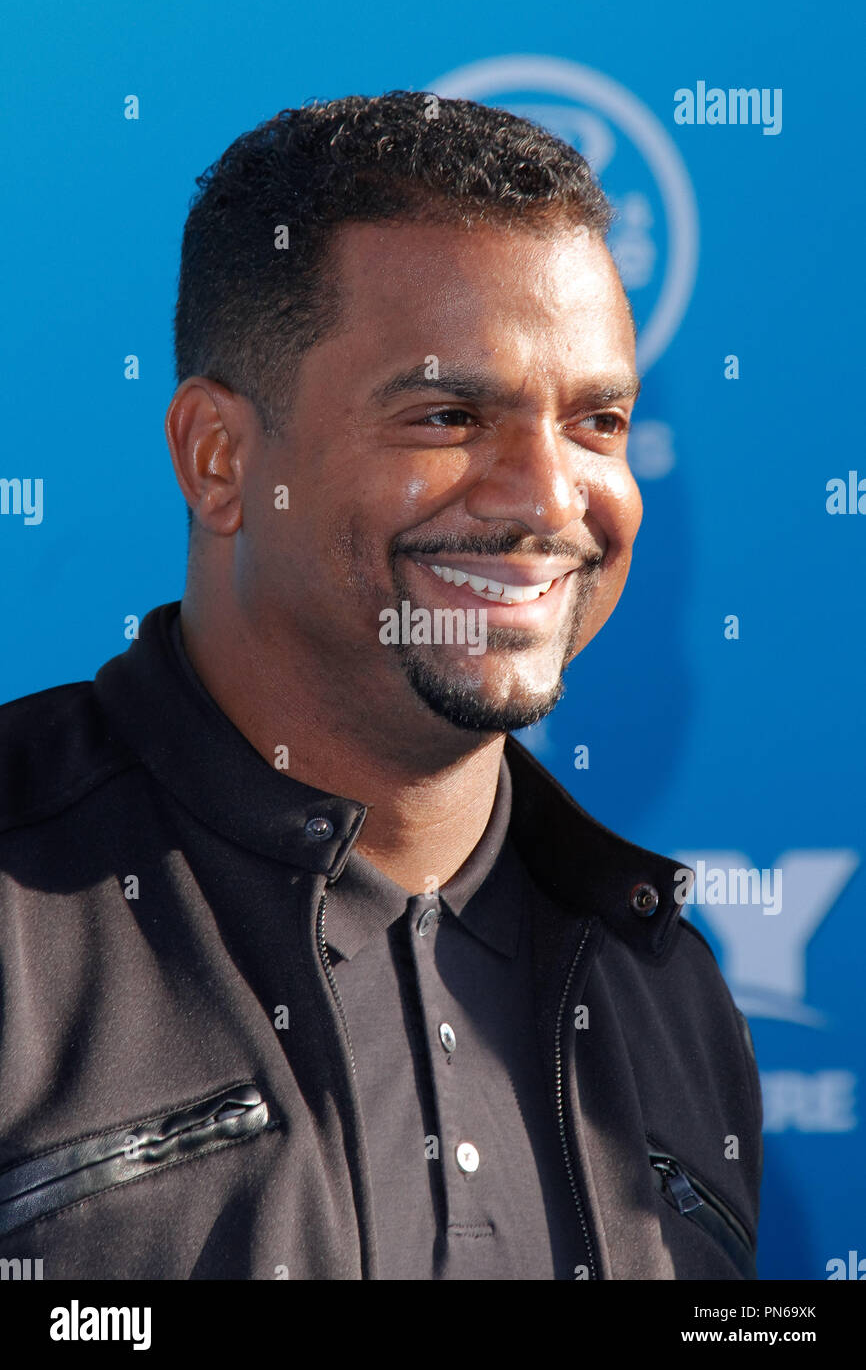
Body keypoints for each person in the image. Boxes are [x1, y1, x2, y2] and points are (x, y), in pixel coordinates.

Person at [0, 91, 762, 1280]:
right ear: (218, 459)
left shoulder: (664, 988)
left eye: (596, 421)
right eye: (449, 415)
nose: (547, 501)